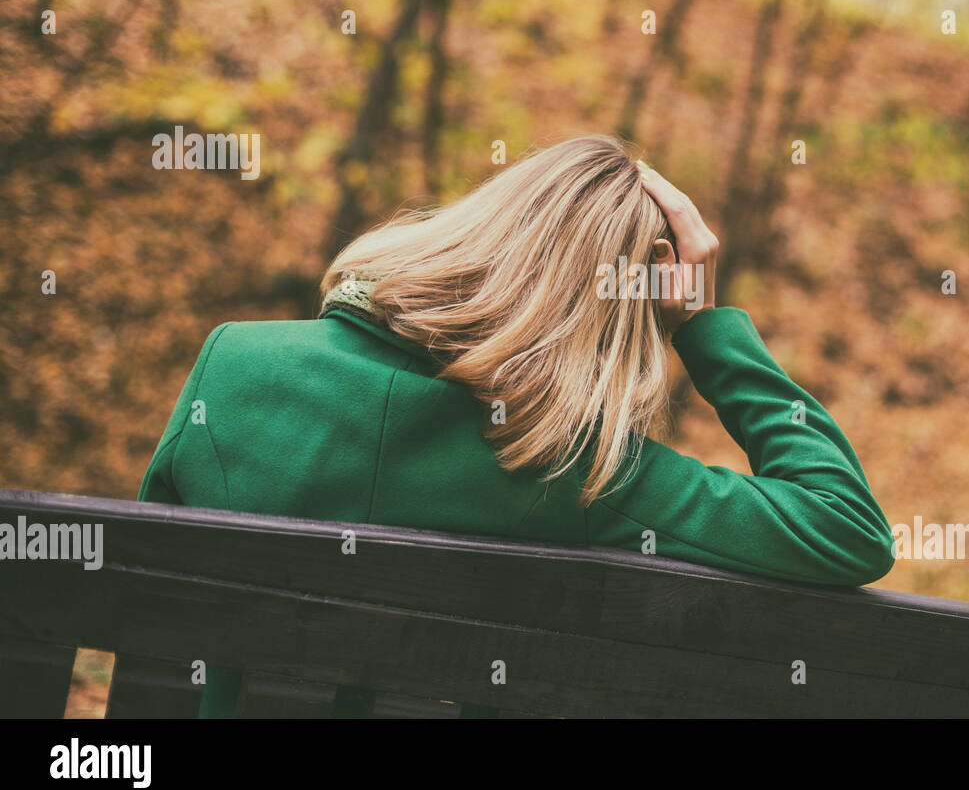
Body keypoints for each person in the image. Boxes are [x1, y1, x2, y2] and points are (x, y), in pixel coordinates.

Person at [138, 133, 895, 716]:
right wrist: (704, 327)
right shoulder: (581, 471)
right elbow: (846, 526)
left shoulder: (234, 367)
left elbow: (146, 622)